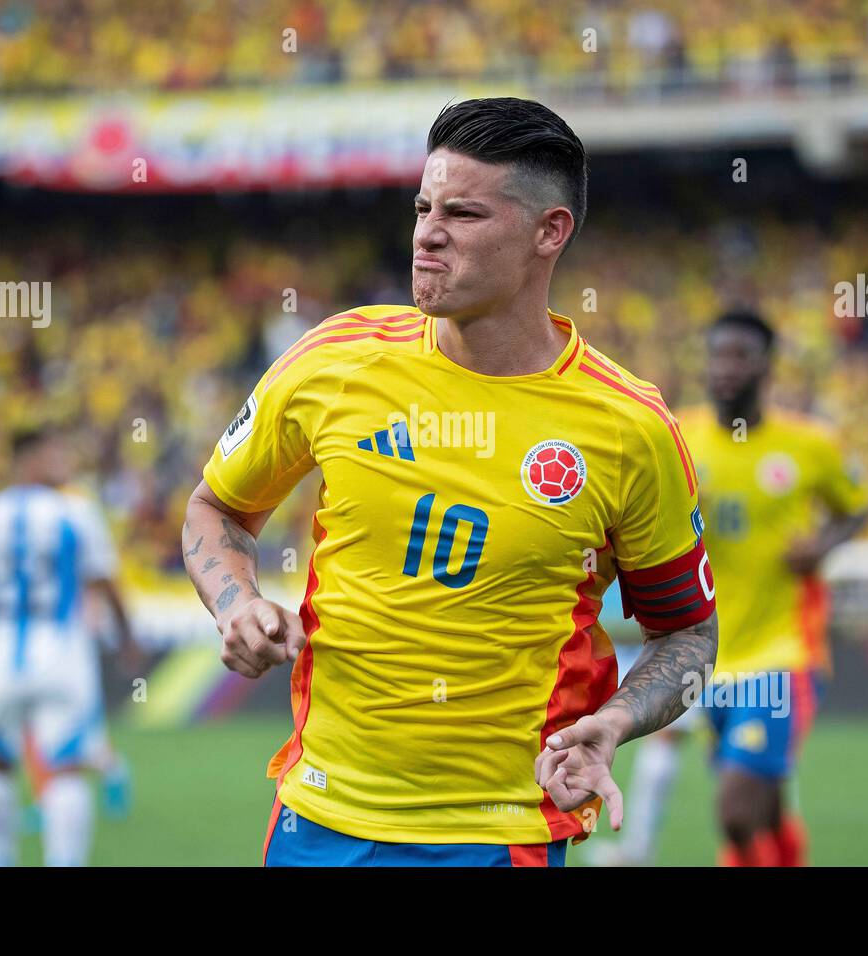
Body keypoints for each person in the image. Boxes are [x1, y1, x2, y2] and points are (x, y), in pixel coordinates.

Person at [182, 97, 718, 867]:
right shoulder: (335, 360)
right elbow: (216, 511)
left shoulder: (628, 428)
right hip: (317, 819)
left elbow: (689, 632)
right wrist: (236, 604)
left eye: (464, 214)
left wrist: (619, 718)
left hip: (501, 836)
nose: (427, 233)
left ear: (549, 231)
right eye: (423, 206)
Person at [668, 309, 868, 866]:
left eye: (740, 356)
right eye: (717, 356)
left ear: (766, 366)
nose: (725, 369)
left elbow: (858, 506)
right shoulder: (678, 438)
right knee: (769, 808)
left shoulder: (811, 444)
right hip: (708, 655)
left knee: (736, 811)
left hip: (783, 652)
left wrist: (823, 546)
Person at [0, 424, 143, 866]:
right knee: (65, 768)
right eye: (53, 453)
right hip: (63, 653)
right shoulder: (77, 513)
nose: (61, 462)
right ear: (28, 458)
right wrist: (127, 641)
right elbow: (106, 582)